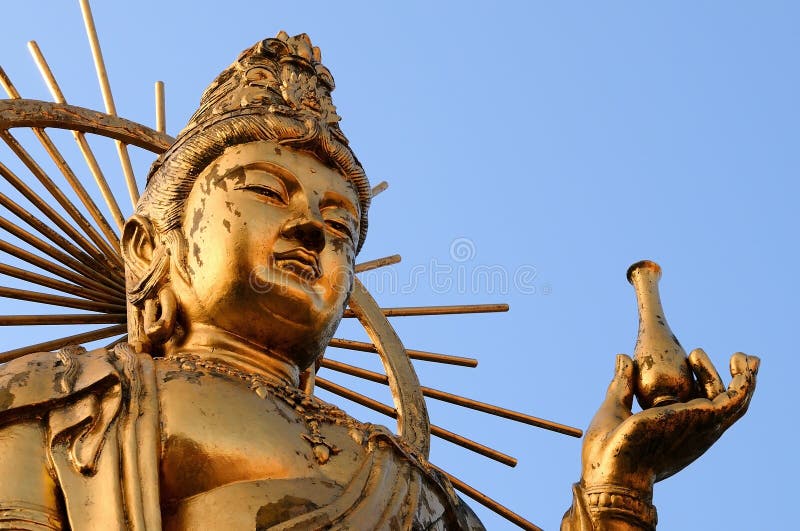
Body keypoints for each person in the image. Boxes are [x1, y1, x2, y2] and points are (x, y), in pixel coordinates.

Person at [0, 32, 758, 530]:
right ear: (148, 248)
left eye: (340, 225)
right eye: (265, 190)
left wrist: (616, 487)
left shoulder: (409, 488)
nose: (310, 229)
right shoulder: (60, 402)